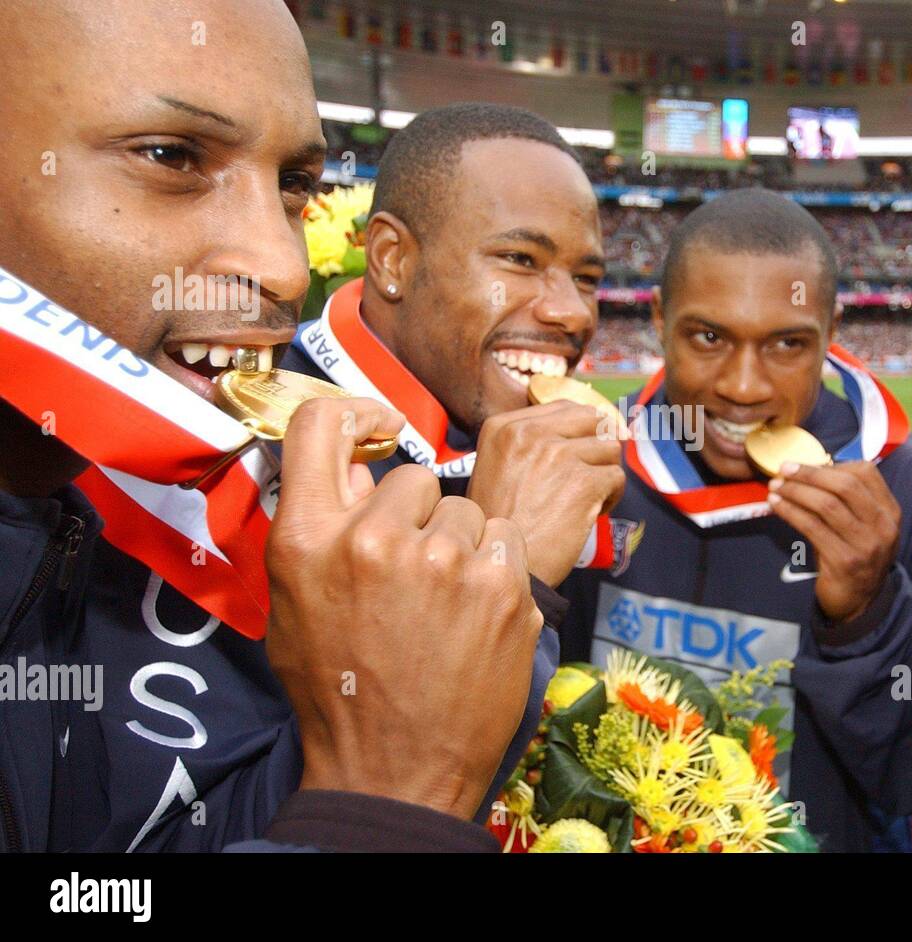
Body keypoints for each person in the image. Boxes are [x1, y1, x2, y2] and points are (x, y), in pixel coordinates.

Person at [0, 0, 545, 853]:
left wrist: (388, 736)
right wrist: (386, 798)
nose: (284, 266)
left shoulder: (49, 507)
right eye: (170, 157)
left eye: (294, 186)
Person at [557, 190, 912, 852]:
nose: (744, 386)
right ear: (659, 319)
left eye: (786, 343)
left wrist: (865, 620)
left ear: (831, 335)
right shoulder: (592, 457)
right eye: (709, 336)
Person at [281, 103, 627, 591]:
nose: (573, 312)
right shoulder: (258, 438)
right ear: (392, 259)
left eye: (587, 278)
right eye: (520, 259)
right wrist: (505, 569)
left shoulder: (565, 454)